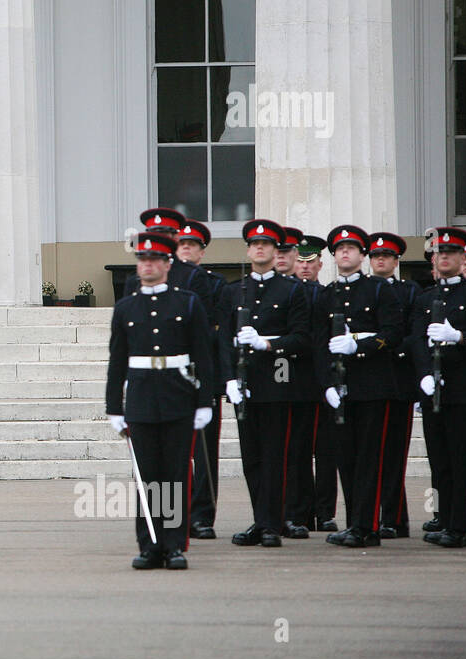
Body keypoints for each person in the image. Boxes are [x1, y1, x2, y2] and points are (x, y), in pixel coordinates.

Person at [106, 232, 215, 570]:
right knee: (147, 476)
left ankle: (174, 545)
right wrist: (114, 407)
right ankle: (150, 544)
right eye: (142, 260)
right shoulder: (126, 307)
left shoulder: (188, 302)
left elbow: (203, 355)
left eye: (154, 259)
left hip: (178, 396)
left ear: (168, 264)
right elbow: (117, 360)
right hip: (141, 398)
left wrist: (204, 402)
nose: (147, 265)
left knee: (175, 475)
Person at [312, 226, 404, 549]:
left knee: (370, 457)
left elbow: (393, 333)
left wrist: (360, 345)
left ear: (363, 255)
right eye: (340, 249)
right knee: (346, 458)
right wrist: (326, 384)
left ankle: (369, 525)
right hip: (340, 389)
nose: (345, 253)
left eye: (352, 248)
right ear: (333, 255)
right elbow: (318, 344)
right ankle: (355, 523)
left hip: (373, 387)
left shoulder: (379, 291)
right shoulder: (326, 295)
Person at [222, 219, 312, 548]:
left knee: (275, 454)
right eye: (255, 244)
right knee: (252, 457)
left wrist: (268, 344)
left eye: (267, 245)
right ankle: (262, 520)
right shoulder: (234, 290)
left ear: (276, 252)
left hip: (278, 375)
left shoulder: (293, 290)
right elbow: (222, 341)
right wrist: (228, 379)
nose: (260, 248)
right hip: (245, 381)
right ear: (248, 250)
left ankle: (272, 523)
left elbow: (302, 337)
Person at [411, 227, 466, 548]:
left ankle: (464, 526)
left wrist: (461, 338)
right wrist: (424, 374)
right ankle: (445, 519)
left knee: (462, 458)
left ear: (462, 257)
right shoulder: (427, 297)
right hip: (434, 391)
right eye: (439, 253)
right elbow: (416, 341)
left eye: (450, 253)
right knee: (439, 459)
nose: (444, 258)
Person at [366, 232, 418, 538]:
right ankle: (378, 516)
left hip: (399, 380)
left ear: (396, 261)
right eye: (375, 256)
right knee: (372, 454)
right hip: (370, 379)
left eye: (386, 256)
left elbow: (412, 330)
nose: (380, 260)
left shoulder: (408, 291)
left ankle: (395, 517)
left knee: (394, 454)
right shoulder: (363, 290)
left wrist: (396, 348)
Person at [175, 220, 223, 539]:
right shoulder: (163, 282)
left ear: (202, 251)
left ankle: (202, 515)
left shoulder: (215, 284)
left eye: (192, 245)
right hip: (171, 375)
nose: (186, 248)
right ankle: (175, 513)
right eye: (182, 244)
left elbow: (214, 332)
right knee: (174, 450)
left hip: (202, 372)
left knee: (204, 452)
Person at [282, 231, 325, 537]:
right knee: (295, 451)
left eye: (310, 262)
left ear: (320, 264)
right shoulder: (287, 295)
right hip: (293, 380)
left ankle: (324, 513)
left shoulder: (325, 295)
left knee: (325, 452)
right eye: (301, 261)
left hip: (319, 380)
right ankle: (298, 511)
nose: (305, 267)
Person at [123, 208, 213, 315]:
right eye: (153, 234)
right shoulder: (134, 280)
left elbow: (203, 319)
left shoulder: (193, 275)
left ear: (176, 238)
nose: (157, 239)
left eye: (163, 234)